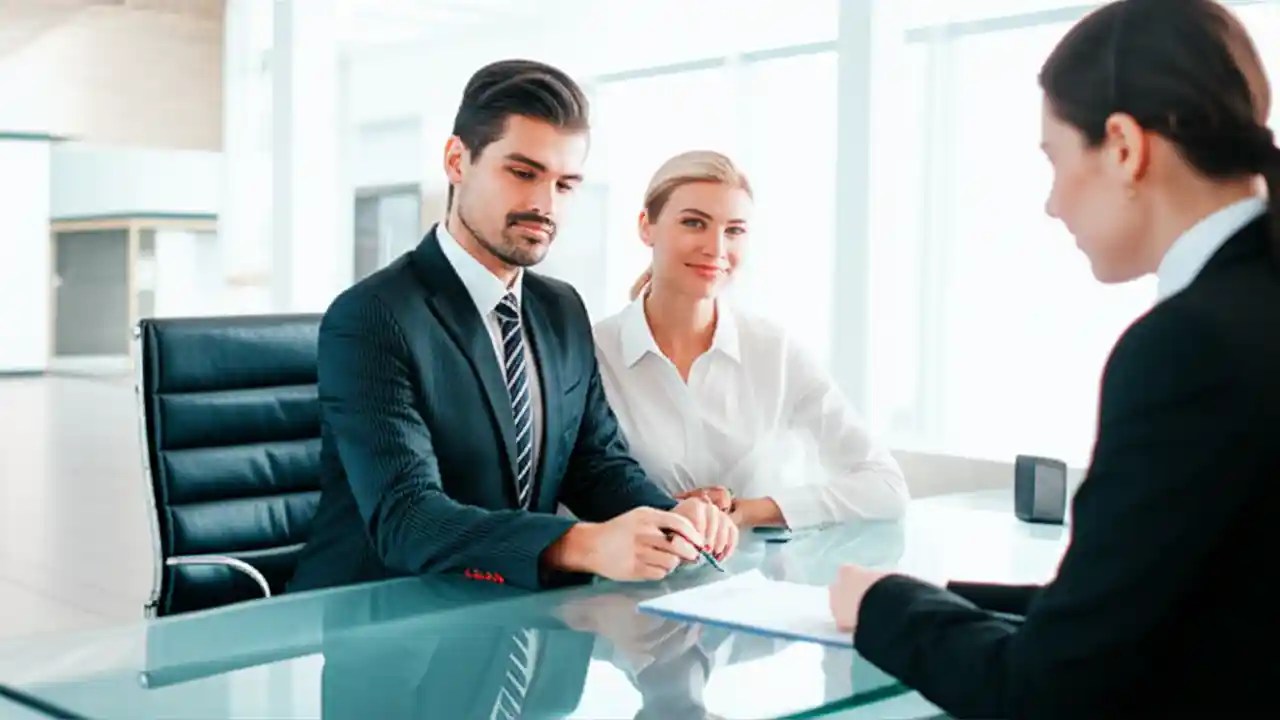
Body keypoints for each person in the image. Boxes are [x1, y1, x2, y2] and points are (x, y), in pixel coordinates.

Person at [828, 1, 1280, 717]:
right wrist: (929, 597)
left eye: (1054, 158)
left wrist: (886, 609)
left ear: (1124, 146)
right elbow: (1151, 605)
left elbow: (1053, 692)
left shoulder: (1190, 347)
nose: (1050, 203)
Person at [289, 60, 738, 594]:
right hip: (390, 629)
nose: (545, 205)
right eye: (523, 173)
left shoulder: (560, 309)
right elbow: (406, 518)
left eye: (565, 184)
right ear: (457, 161)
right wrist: (581, 544)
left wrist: (674, 519)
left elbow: (595, 466)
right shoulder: (372, 316)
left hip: (520, 624)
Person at [593, 150, 908, 530]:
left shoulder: (773, 351)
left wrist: (751, 511)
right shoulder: (593, 351)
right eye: (694, 223)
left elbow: (885, 485)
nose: (716, 248)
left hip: (751, 582)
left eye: (734, 230)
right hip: (629, 580)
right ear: (647, 226)